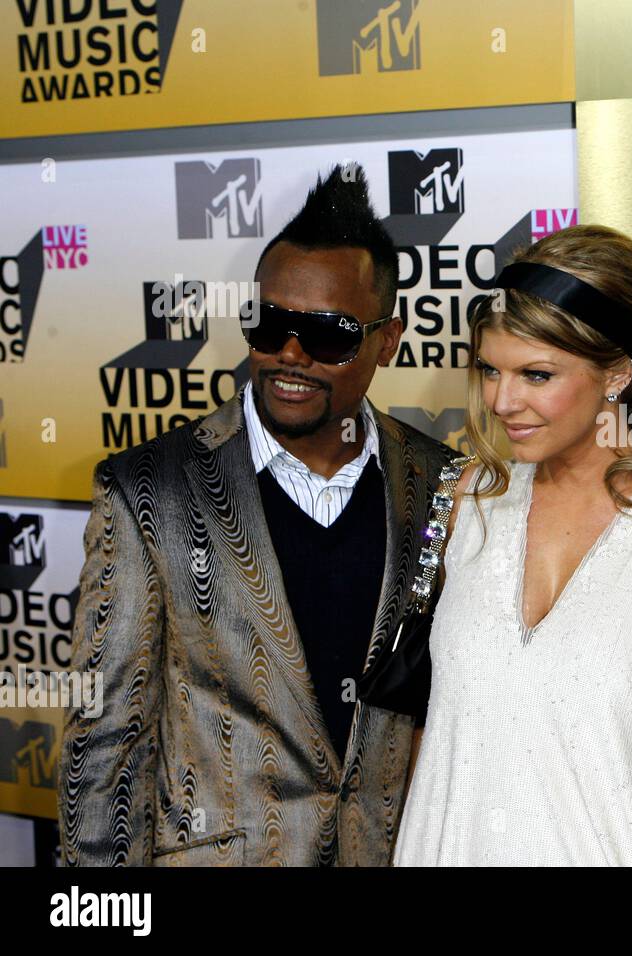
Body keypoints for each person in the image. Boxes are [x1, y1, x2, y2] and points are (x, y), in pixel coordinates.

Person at [59, 166, 458, 865]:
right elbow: (103, 744)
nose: (290, 354)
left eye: (328, 334)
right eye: (268, 324)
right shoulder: (151, 490)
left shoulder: (441, 482)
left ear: (388, 340)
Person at [392, 224, 632, 866]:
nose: (503, 402)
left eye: (536, 375)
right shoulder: (465, 504)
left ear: (616, 373)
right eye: (489, 370)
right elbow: (434, 724)